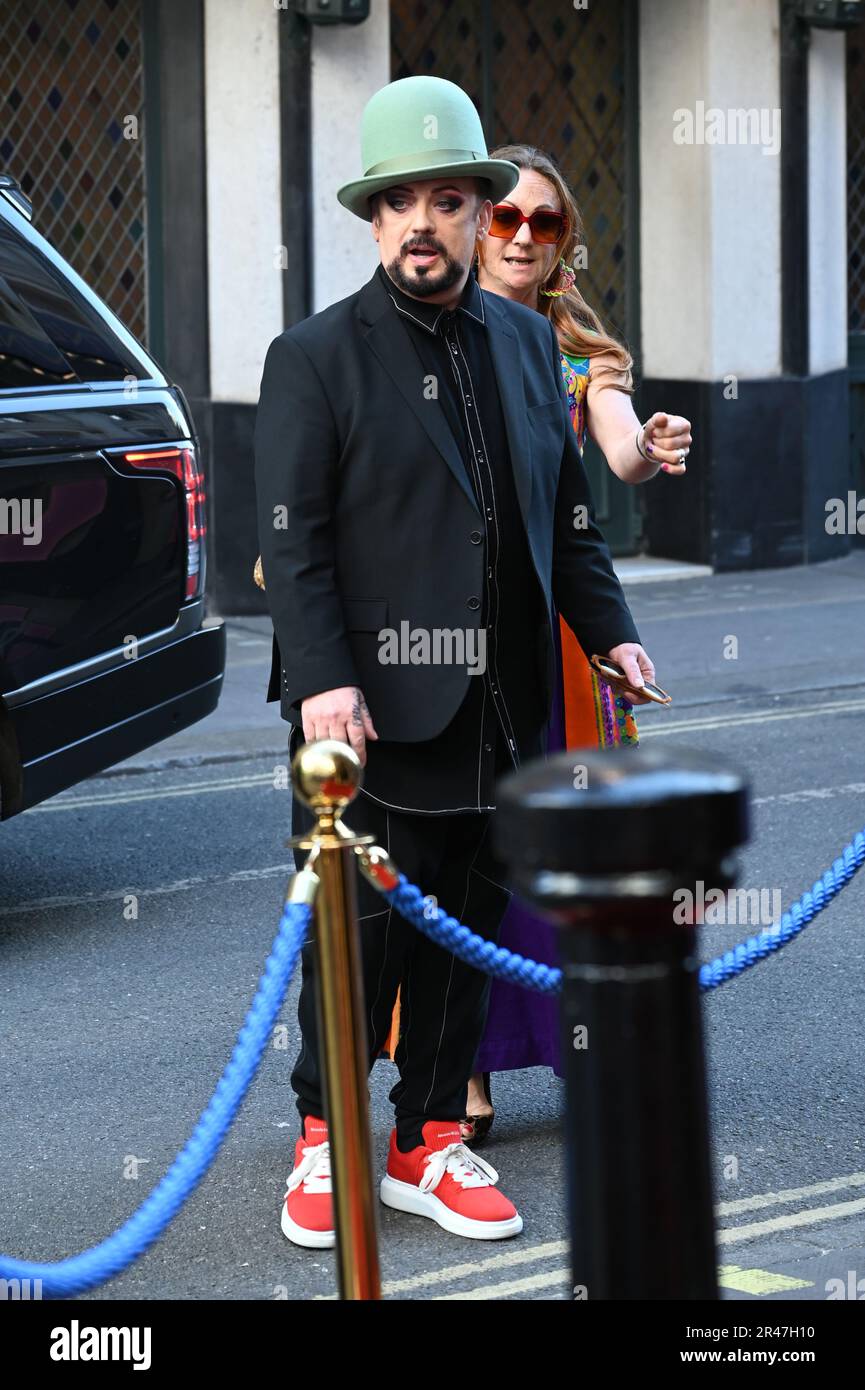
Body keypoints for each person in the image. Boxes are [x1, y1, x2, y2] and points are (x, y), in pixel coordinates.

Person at [253, 75, 659, 1250]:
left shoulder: (532, 347)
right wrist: (325, 680)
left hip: (500, 700)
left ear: (482, 213)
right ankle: (326, 1137)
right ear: (373, 222)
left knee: (462, 930)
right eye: (402, 204)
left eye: (450, 199)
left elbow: (564, 518)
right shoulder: (314, 355)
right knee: (357, 935)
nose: (425, 223)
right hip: (364, 712)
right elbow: (293, 542)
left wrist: (612, 631)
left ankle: (428, 1140)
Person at [460, 144, 693, 1141]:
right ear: (472, 227)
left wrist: (648, 446)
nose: (519, 236)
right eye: (503, 217)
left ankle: (588, 1042)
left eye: (542, 223)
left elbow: (620, 449)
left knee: (569, 856)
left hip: (557, 644)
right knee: (465, 848)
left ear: (564, 245)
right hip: (450, 635)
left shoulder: (577, 359)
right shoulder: (425, 336)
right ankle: (459, 1073)